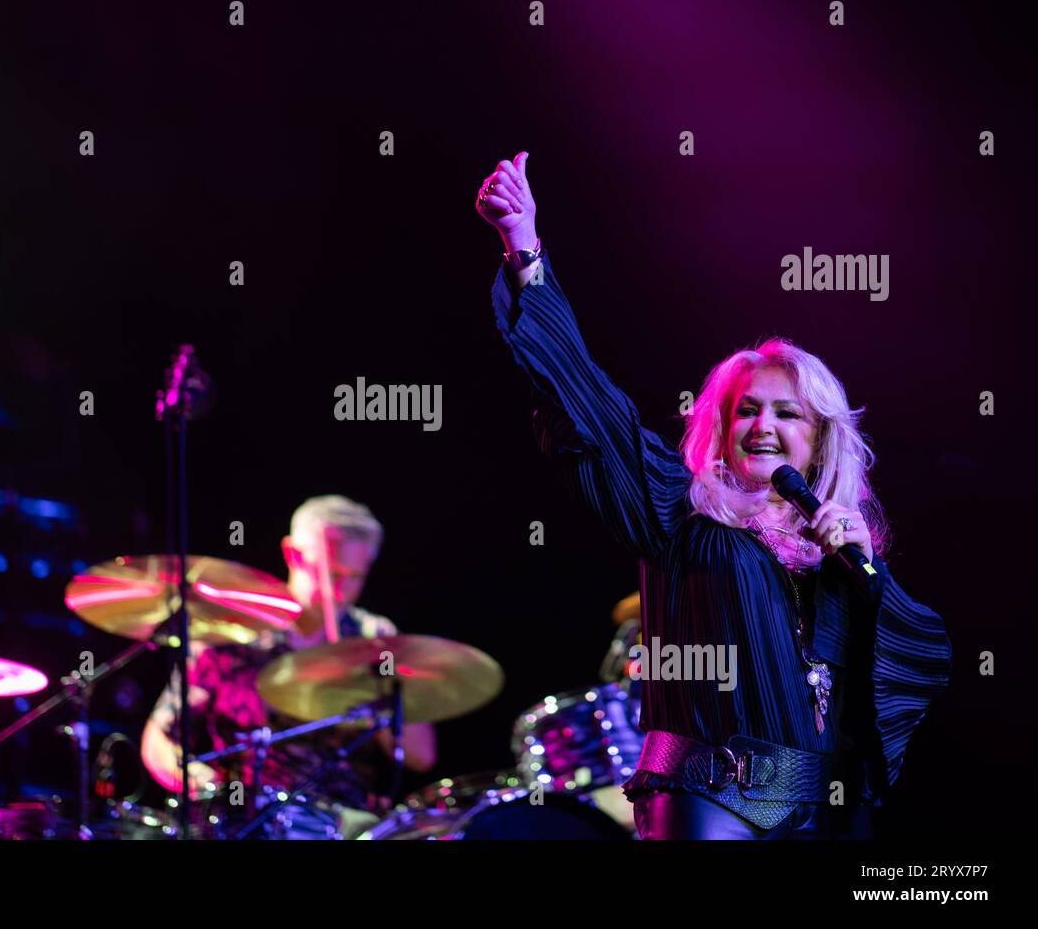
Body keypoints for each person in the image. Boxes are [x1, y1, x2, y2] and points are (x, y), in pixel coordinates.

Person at [476, 151, 951, 839]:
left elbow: (920, 657)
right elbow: (592, 407)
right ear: (723, 429)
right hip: (709, 796)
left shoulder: (838, 559)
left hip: (822, 810)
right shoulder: (680, 508)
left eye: (787, 414)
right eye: (746, 411)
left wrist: (867, 578)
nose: (763, 426)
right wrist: (524, 248)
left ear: (819, 439)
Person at [140, 495, 437, 821]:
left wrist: (369, 690)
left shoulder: (374, 637)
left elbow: (421, 755)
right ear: (292, 554)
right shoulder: (236, 635)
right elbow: (159, 738)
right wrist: (198, 782)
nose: (342, 591)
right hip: (250, 818)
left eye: (356, 576)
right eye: (333, 574)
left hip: (348, 821)